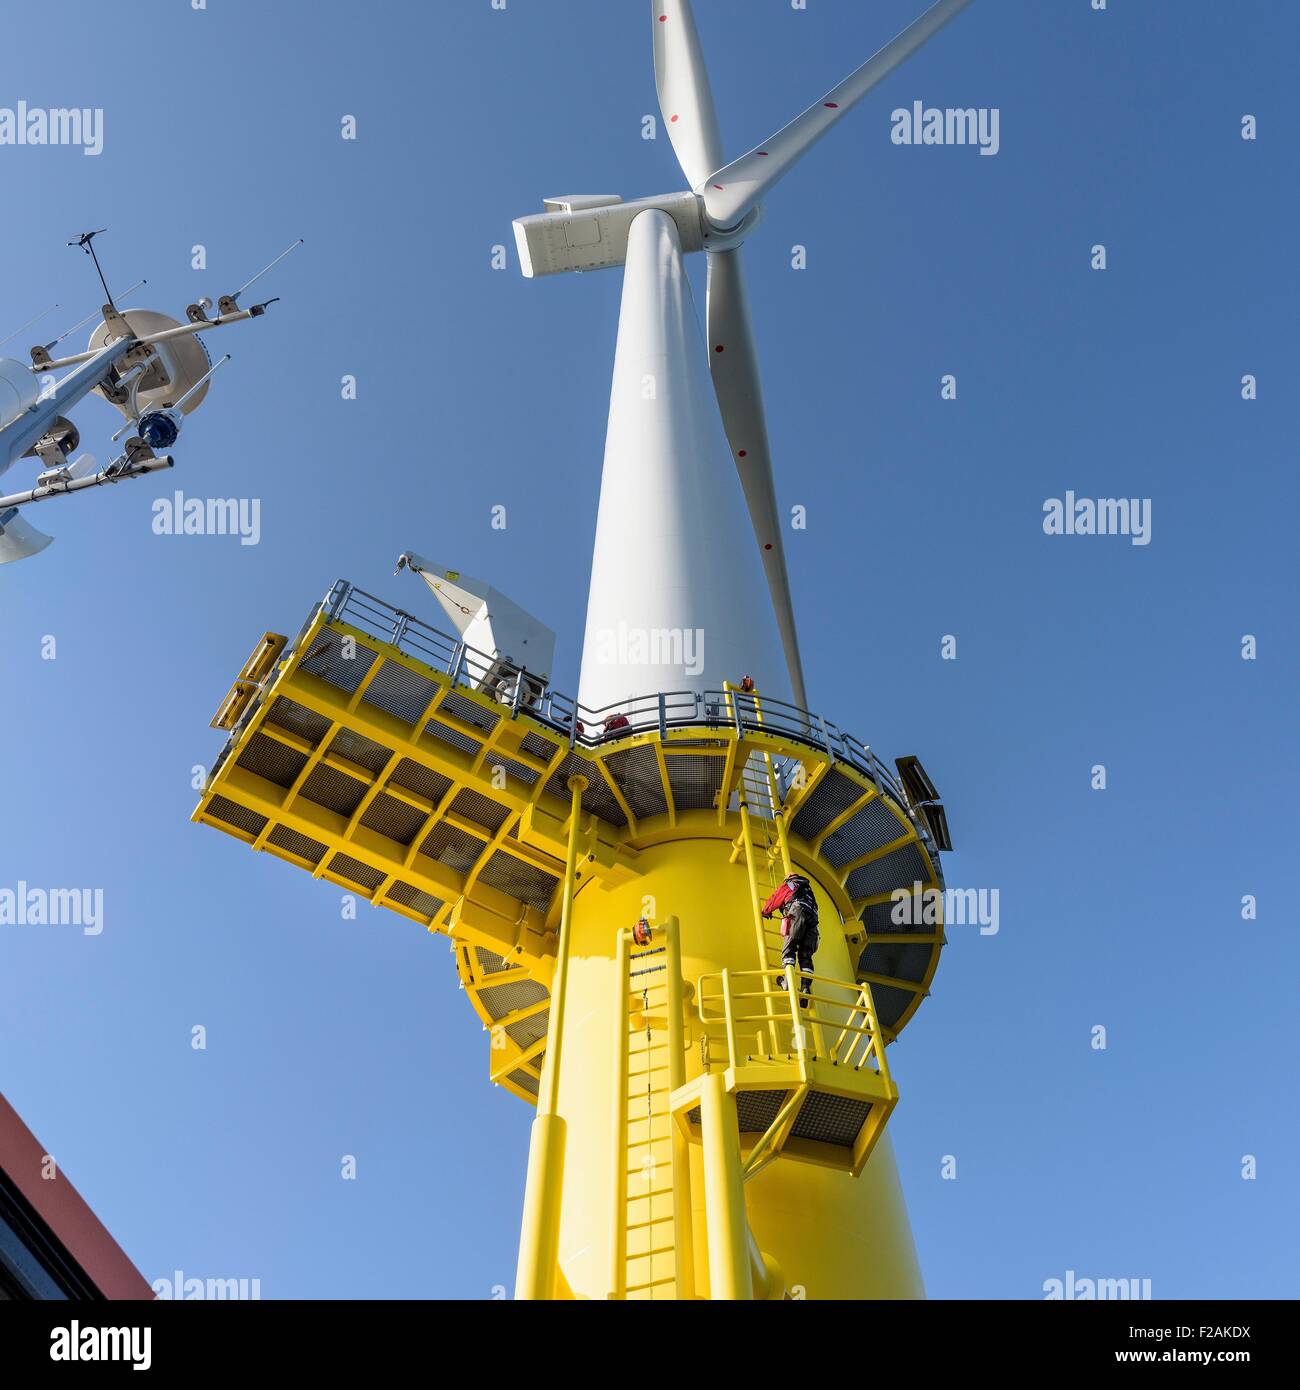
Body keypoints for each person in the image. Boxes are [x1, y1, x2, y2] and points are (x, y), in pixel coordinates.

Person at [761, 872, 819, 1007]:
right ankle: (805, 988)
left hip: (797, 914)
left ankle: (787, 980)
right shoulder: (810, 893)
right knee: (805, 957)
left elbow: (776, 898)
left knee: (789, 949)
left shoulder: (790, 884)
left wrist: (766, 911)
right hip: (813, 924)